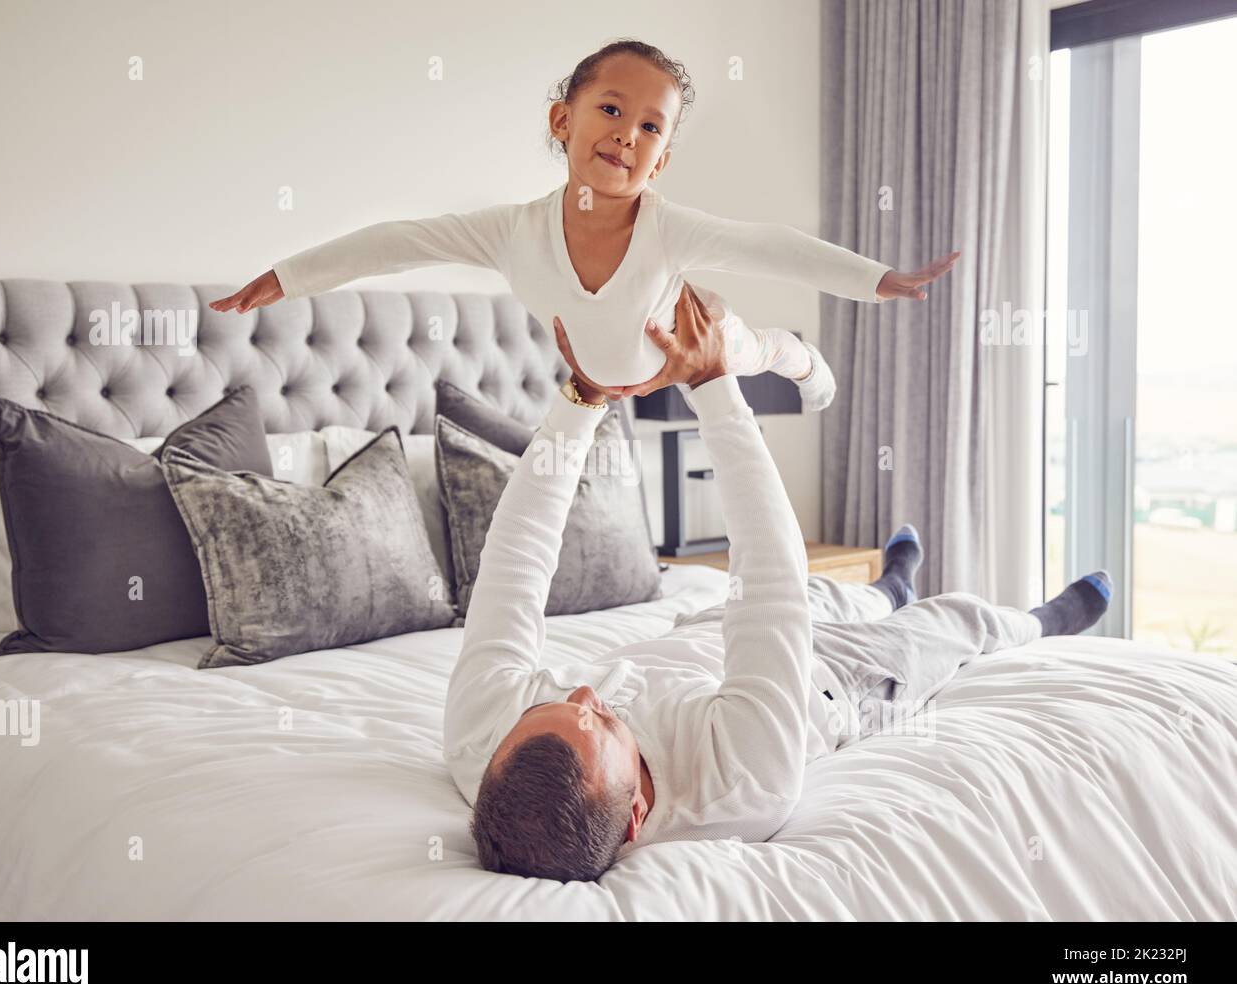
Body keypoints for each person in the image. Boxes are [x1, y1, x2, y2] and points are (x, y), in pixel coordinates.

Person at [445, 280, 1112, 883]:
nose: (583, 689)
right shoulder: (741, 782)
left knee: (833, 595)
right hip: (826, 686)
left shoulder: (483, 737)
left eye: (554, 706)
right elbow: (772, 575)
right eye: (597, 718)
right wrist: (712, 384)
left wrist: (581, 396)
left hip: (696, 645)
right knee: (947, 622)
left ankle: (884, 587)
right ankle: (1037, 620)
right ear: (635, 818)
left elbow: (517, 554)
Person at [207, 39, 959, 394]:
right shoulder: (510, 232)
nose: (627, 133)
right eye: (610, 110)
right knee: (579, 404)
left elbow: (770, 246)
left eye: (650, 127)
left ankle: (797, 356)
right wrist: (288, 275)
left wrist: (877, 279)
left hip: (698, 339)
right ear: (563, 121)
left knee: (751, 349)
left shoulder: (669, 228)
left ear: (658, 162)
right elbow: (399, 241)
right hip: (596, 381)